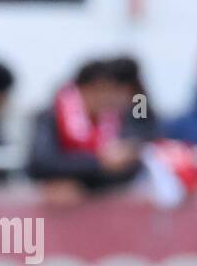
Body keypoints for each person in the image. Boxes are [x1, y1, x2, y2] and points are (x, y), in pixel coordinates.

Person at [26, 60, 142, 204]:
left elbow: (132, 160)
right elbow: (39, 164)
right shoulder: (50, 116)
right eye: (99, 90)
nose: (105, 99)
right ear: (81, 89)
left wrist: (81, 184)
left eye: (110, 91)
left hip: (100, 203)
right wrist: (99, 162)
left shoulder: (123, 114)